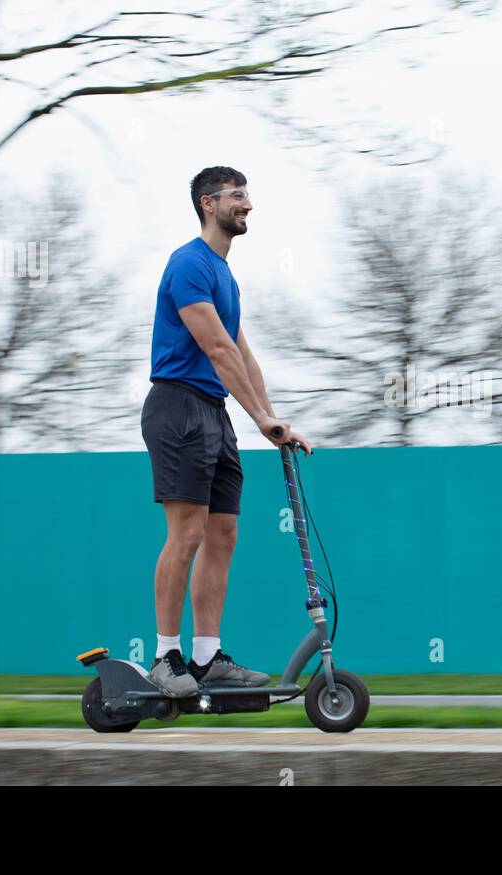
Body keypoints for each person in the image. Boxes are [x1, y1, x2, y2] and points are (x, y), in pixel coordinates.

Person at [141, 165, 312, 697]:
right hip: (178, 407)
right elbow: (215, 349)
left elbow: (242, 353)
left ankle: (207, 657)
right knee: (186, 533)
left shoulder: (224, 276)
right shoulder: (188, 264)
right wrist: (259, 417)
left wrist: (272, 420)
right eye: (238, 196)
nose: (248, 205)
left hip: (214, 411)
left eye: (248, 195)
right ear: (207, 202)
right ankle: (166, 657)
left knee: (222, 534)